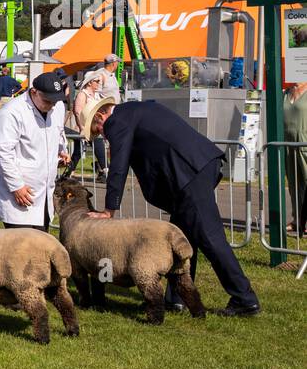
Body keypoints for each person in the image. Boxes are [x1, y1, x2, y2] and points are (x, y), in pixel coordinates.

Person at [80, 96, 260, 317]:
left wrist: (109, 210)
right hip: (190, 172)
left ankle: (244, 298)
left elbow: (119, 165)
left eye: (98, 130)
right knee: (179, 241)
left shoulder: (117, 121)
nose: (102, 135)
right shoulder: (135, 110)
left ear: (101, 116)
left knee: (211, 239)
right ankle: (176, 298)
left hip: (189, 173)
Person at [0, 71, 70, 231]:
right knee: (21, 249)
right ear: (34, 92)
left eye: (55, 101)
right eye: (47, 101)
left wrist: (62, 150)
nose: (52, 105)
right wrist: (16, 186)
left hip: (44, 193)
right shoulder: (11, 113)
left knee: (41, 246)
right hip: (20, 193)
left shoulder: (57, 107)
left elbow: (58, 132)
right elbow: (3, 152)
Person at [65, 73, 108, 178]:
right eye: (97, 81)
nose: (99, 83)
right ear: (89, 82)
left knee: (78, 151)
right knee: (95, 146)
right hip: (84, 127)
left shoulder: (96, 94)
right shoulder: (82, 94)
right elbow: (77, 112)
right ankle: (106, 170)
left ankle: (68, 173)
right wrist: (82, 128)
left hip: (93, 128)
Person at [285, 65, 307, 237]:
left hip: (304, 143)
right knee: (294, 184)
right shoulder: (285, 93)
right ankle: (297, 220)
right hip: (286, 144)